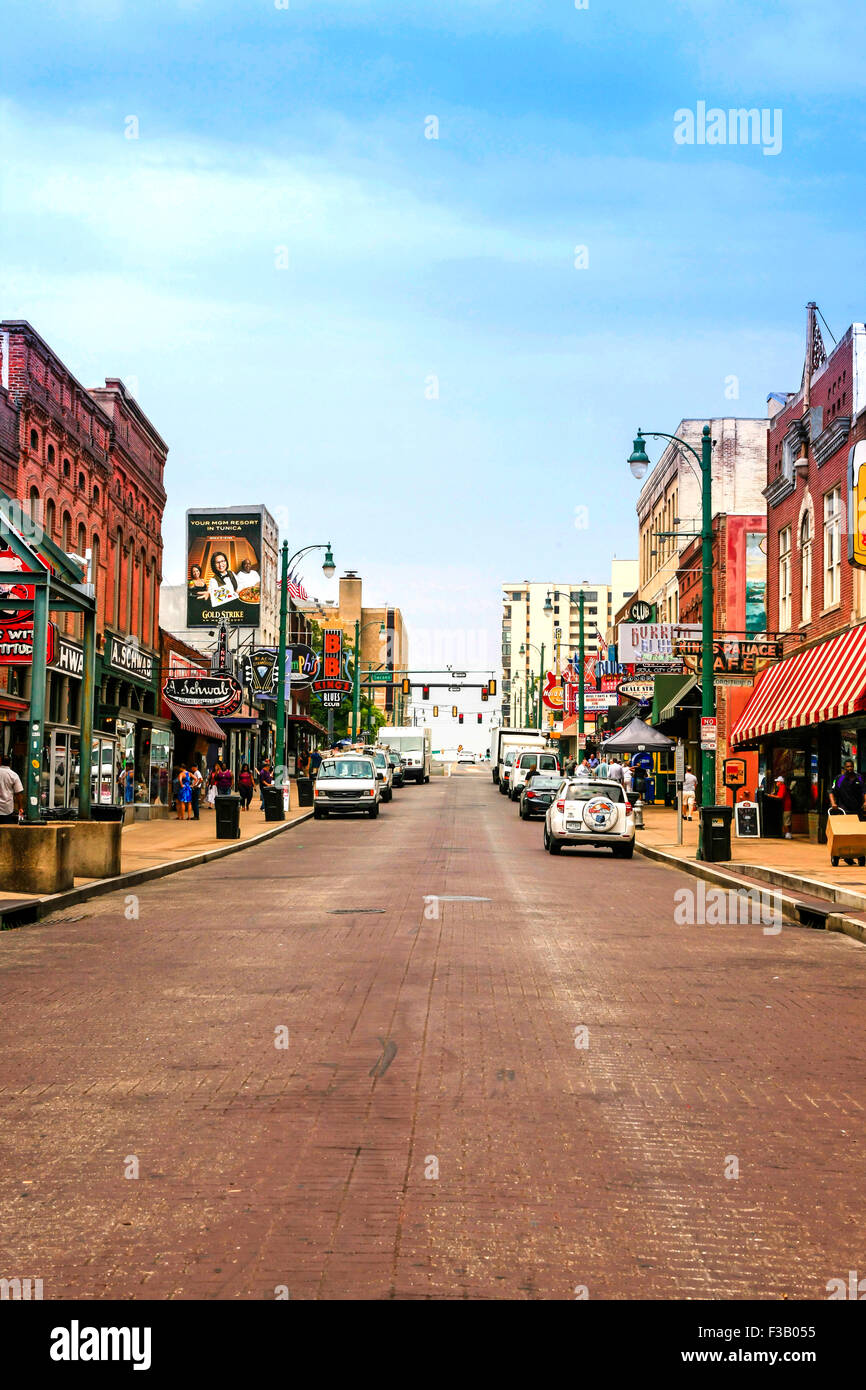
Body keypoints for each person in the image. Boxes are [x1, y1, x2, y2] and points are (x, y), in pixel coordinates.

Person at [0, 753, 24, 824]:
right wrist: (20, 807)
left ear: (0, 761)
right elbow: (18, 794)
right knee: (6, 832)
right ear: (10, 763)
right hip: (7, 809)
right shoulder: (13, 775)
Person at [770, 775, 793, 839]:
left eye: (777, 782)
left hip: (786, 807)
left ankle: (788, 834)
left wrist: (771, 796)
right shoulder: (782, 787)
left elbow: (780, 797)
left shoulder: (782, 787)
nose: (777, 783)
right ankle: (788, 833)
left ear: (781, 782)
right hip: (786, 806)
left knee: (786, 821)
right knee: (787, 820)